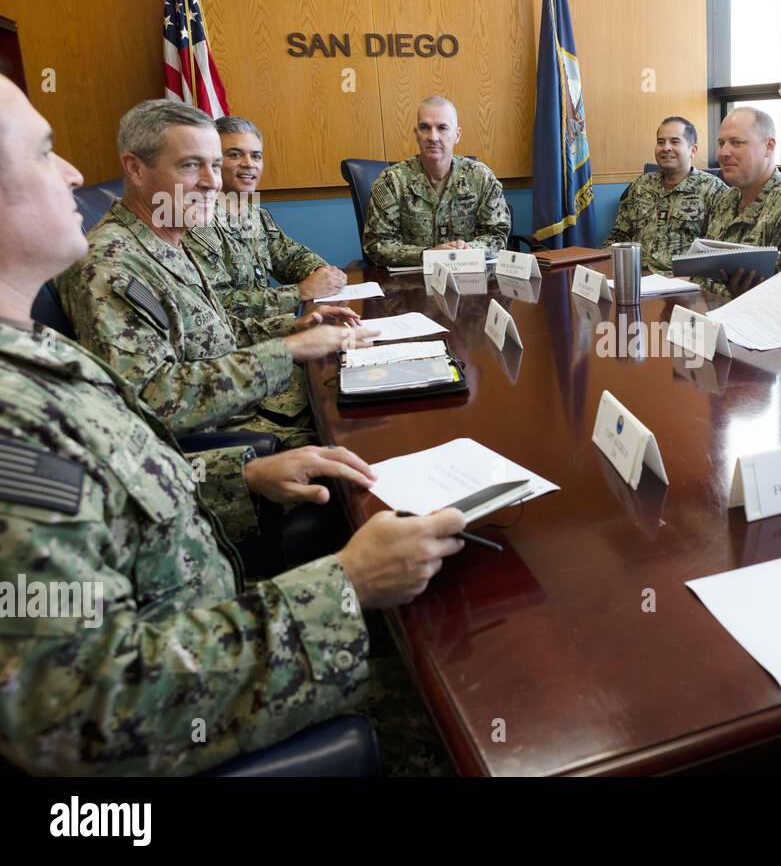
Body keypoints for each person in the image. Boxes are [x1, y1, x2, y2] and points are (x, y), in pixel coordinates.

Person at [0, 75, 467, 774]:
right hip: (210, 683)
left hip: (217, 596)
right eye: (43, 153)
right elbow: (72, 707)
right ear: (140, 169)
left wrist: (240, 474)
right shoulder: (26, 400)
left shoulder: (38, 351)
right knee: (459, 656)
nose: (72, 173)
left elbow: (124, 477)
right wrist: (347, 585)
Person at [56, 100, 358, 446]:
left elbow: (212, 335)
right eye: (190, 165)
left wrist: (293, 326)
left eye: (215, 165)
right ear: (135, 169)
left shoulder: (168, 235)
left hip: (260, 403)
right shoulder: (111, 265)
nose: (212, 182)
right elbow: (152, 403)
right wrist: (287, 350)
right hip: (234, 440)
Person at [183, 114, 347, 322]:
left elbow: (293, 257)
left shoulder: (255, 215)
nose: (249, 164)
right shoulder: (197, 220)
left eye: (256, 156)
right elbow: (218, 304)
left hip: (277, 333)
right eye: (235, 155)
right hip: (238, 346)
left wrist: (322, 273)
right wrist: (300, 292)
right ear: (213, 162)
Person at [362, 95, 512, 266]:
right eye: (425, 127)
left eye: (442, 128)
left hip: (468, 277)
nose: (433, 137)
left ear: (457, 134)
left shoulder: (481, 178)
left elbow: (498, 235)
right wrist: (426, 255)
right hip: (411, 283)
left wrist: (470, 249)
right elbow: (376, 244)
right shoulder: (391, 182)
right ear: (416, 134)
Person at [704, 106, 781, 295]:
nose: (723, 153)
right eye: (721, 143)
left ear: (768, 147)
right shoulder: (726, 199)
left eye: (736, 143)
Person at [604, 116, 726, 275]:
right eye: (660, 142)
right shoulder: (641, 185)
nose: (666, 148)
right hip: (635, 276)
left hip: (681, 282)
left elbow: (717, 251)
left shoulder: (714, 190)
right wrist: (600, 264)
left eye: (675, 142)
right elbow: (619, 235)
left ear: (693, 149)